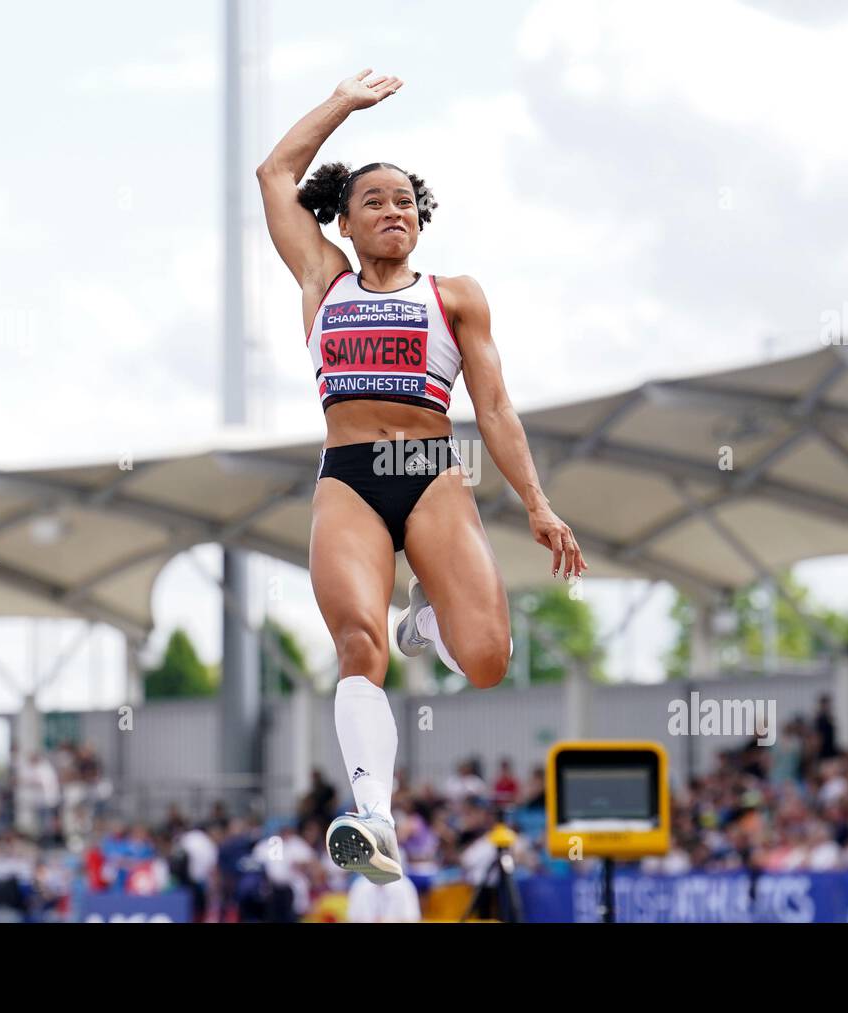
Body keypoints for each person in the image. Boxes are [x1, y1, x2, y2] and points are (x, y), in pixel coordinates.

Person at [255, 69, 586, 886]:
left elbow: (498, 408)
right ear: (344, 220)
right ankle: (374, 814)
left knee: (487, 659)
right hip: (350, 478)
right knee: (357, 644)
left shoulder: (456, 296)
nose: (393, 210)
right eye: (374, 200)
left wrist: (539, 505)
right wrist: (342, 105)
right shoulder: (321, 280)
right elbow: (273, 175)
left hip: (431, 470)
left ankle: (428, 624)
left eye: (405, 200)